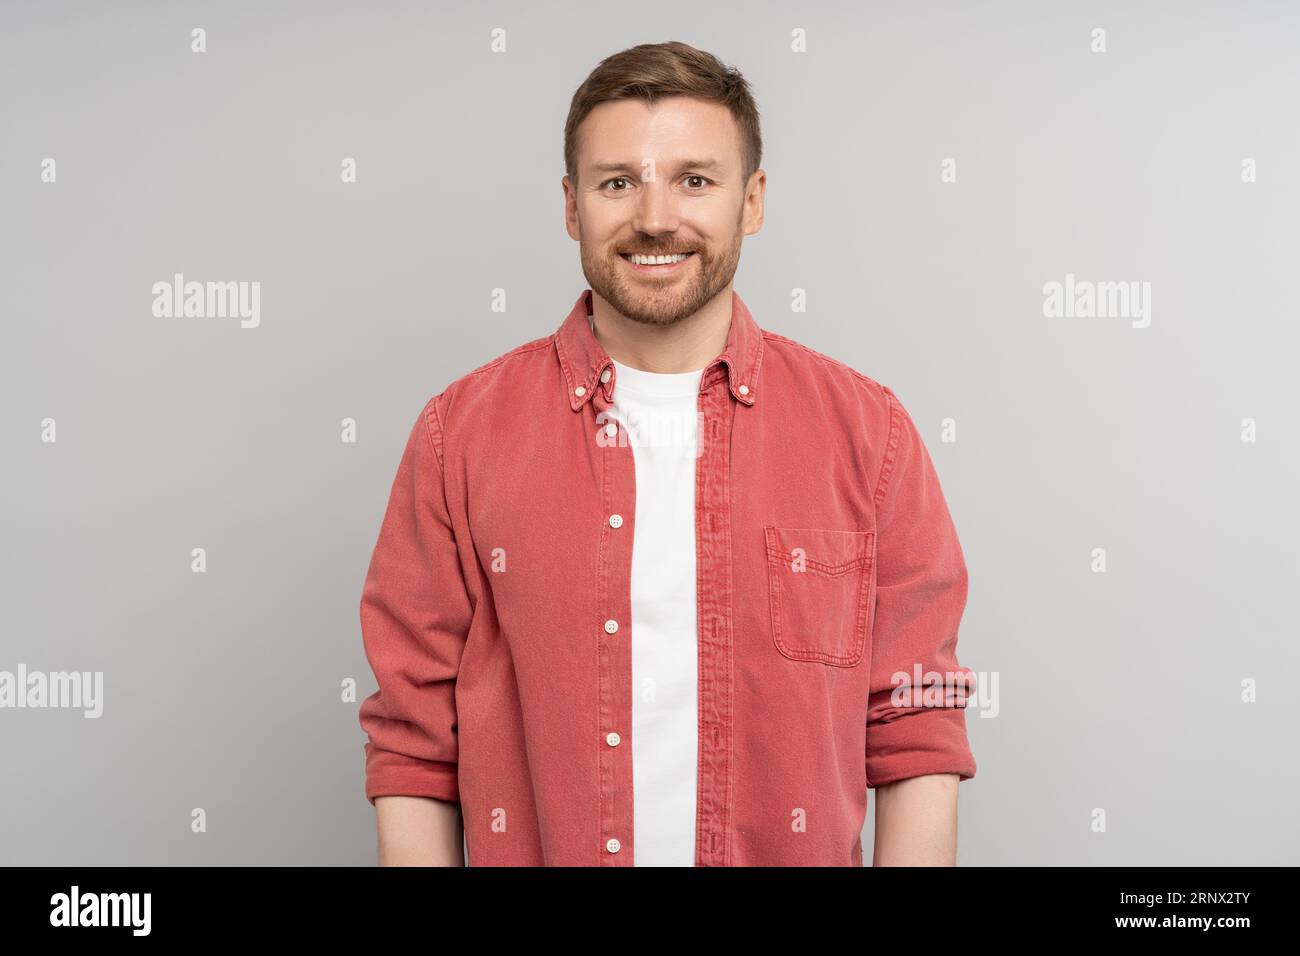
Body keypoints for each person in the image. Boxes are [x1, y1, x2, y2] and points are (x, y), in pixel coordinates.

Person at [358, 40, 976, 867]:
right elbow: (414, 743)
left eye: (695, 179)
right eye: (619, 182)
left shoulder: (871, 436)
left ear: (751, 201)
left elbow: (915, 727)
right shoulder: (459, 437)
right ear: (573, 207)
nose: (655, 217)